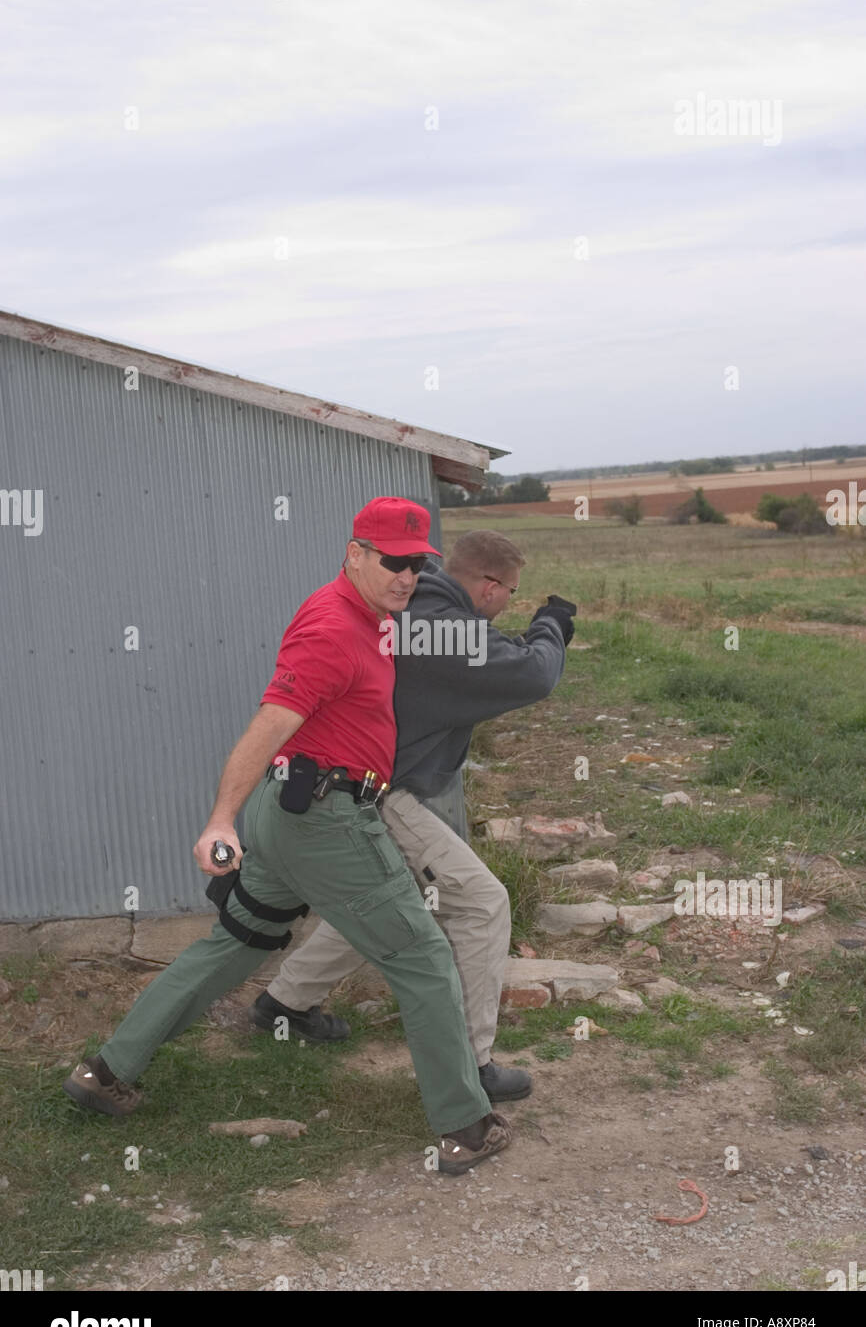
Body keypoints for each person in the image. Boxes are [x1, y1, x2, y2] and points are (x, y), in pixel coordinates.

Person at [63, 498, 509, 1175]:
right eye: (392, 562)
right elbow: (268, 724)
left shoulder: (372, 616)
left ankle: (106, 1070)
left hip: (294, 810)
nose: (406, 577)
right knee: (423, 961)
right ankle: (466, 1126)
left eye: (416, 564)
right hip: (326, 821)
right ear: (354, 553)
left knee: (236, 945)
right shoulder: (332, 627)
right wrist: (219, 820)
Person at [250, 530, 575, 1101]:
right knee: (481, 901)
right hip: (379, 790)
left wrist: (526, 637)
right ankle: (471, 1064)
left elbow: (481, 655)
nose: (509, 605)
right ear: (489, 585)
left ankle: (285, 1004)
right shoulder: (444, 629)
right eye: (512, 594)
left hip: (349, 785)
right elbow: (533, 675)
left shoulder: (418, 610)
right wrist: (552, 627)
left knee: (385, 896)